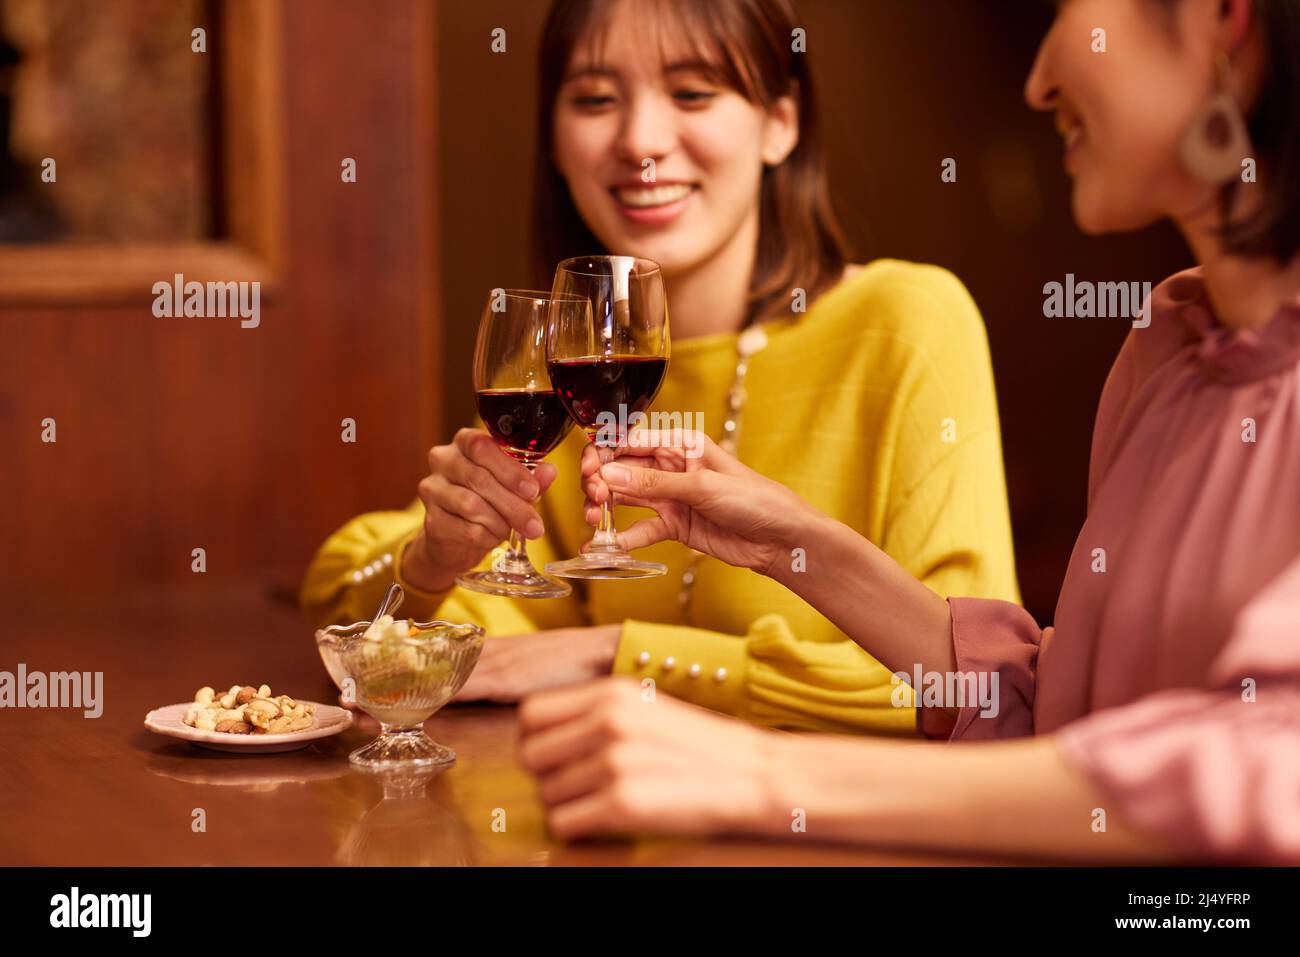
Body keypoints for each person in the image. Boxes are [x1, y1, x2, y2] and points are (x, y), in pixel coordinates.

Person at [520, 0, 1300, 863]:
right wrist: (791, 542)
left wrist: (766, 773)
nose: (1039, 81)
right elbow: (1064, 724)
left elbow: (1268, 764)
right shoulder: (1170, 352)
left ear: (1225, 19)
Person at [300, 0, 1020, 736]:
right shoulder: (572, 371)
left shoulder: (910, 322)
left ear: (782, 121)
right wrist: (431, 560)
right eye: (595, 99)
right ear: (553, 135)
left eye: (693, 92)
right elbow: (343, 598)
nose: (641, 142)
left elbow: (975, 683)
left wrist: (613, 654)